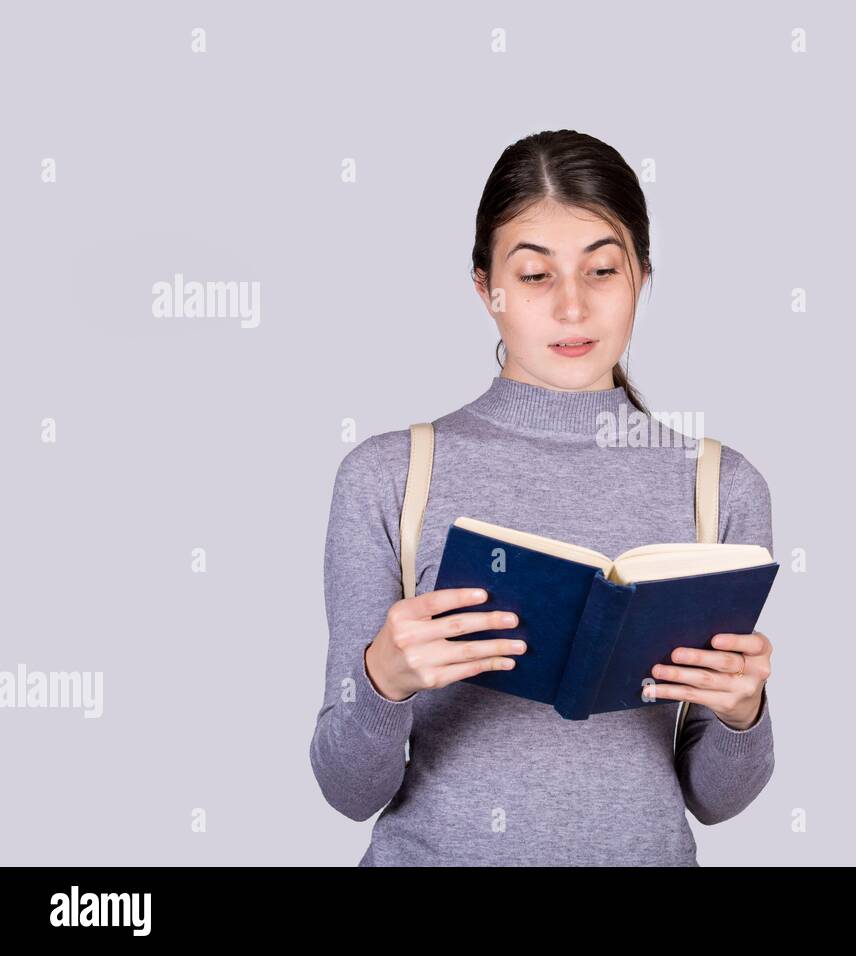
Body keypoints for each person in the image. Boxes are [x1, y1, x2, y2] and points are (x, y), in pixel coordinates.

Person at [309, 129, 777, 866]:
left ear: (642, 279)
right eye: (534, 275)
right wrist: (382, 681)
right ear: (484, 287)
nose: (572, 308)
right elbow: (345, 788)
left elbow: (716, 801)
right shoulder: (389, 476)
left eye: (602, 271)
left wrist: (742, 710)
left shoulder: (720, 488)